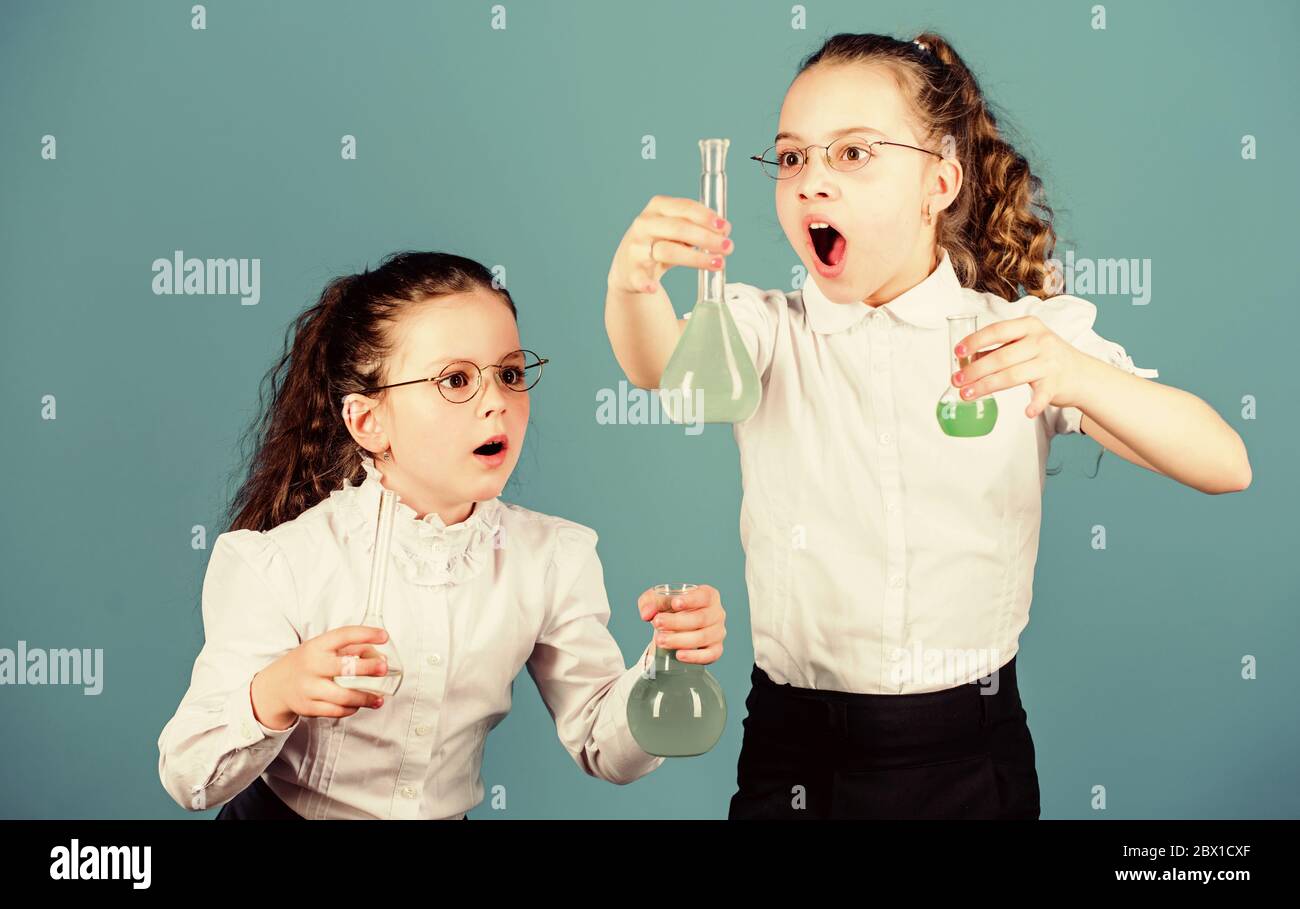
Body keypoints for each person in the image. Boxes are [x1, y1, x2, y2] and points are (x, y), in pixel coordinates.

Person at [604, 32, 1251, 819]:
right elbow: (657, 365)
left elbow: (1225, 462)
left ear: (938, 183)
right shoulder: (764, 332)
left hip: (969, 758)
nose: (812, 182)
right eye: (793, 158)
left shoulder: (1019, 339)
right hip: (796, 753)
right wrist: (634, 285)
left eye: (853, 153)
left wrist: (1076, 374)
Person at [159, 251, 727, 819]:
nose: (496, 402)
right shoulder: (279, 562)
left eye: (510, 374)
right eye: (456, 380)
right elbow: (190, 779)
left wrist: (666, 667)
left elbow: (604, 748)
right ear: (368, 421)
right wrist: (274, 694)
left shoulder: (552, 558)